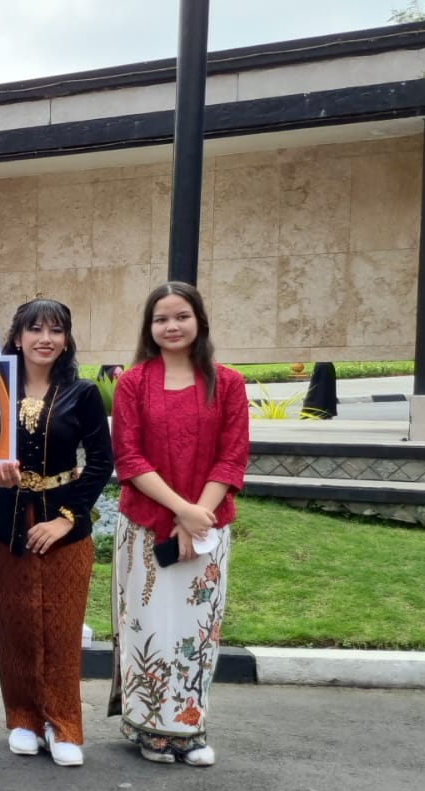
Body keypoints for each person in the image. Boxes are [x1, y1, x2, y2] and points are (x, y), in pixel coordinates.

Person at [109, 281, 249, 766]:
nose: (171, 326)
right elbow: (128, 457)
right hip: (146, 529)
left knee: (196, 631)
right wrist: (180, 512)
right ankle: (149, 729)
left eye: (181, 316)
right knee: (150, 628)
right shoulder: (132, 382)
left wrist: (195, 519)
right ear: (150, 328)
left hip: (206, 532)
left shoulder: (227, 382)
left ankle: (189, 728)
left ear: (199, 321)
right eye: (161, 318)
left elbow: (231, 459)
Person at [0, 299, 113, 768]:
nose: (45, 338)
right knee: (13, 623)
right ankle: (21, 719)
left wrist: (65, 519)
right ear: (17, 337)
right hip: (6, 523)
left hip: (63, 522)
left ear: (66, 339)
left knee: (60, 627)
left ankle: (64, 724)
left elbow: (101, 463)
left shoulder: (81, 393)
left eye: (55, 330)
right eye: (34, 329)